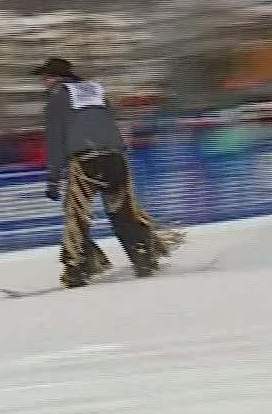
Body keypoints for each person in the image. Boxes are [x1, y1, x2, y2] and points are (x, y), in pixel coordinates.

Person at [35, 57, 181, 288]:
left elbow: (56, 139)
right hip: (115, 157)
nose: (43, 82)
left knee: (77, 216)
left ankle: (78, 267)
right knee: (123, 212)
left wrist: (53, 178)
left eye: (44, 78)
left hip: (86, 160)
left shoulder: (56, 97)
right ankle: (143, 255)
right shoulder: (96, 90)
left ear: (53, 77)